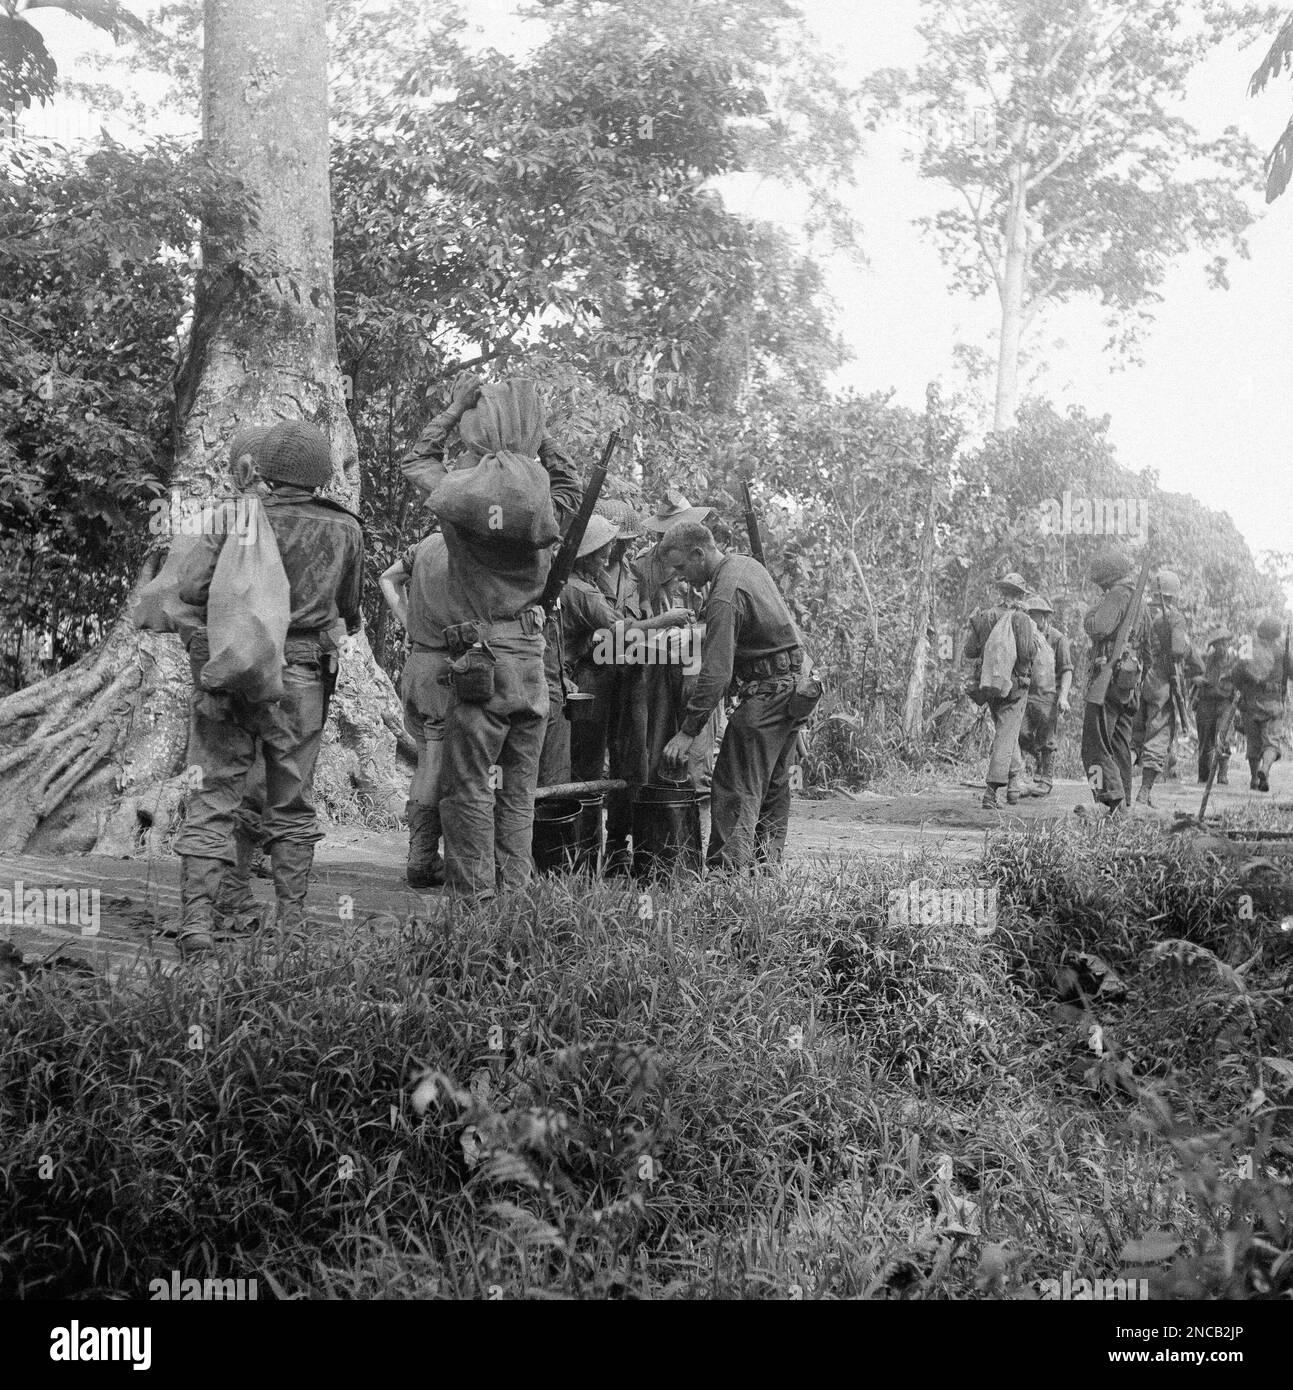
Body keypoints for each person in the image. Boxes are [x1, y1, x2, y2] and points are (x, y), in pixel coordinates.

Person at [175, 420, 363, 956]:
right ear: (321, 474)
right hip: (301, 674)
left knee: (212, 794)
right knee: (292, 800)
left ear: (261, 469)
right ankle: (293, 927)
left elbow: (191, 589)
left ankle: (195, 926)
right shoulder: (344, 528)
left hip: (232, 669)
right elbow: (348, 610)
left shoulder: (232, 518)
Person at [400, 376, 580, 900]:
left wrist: (456, 407)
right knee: (518, 792)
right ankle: (516, 895)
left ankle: (475, 900)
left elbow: (417, 460)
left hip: (482, 659)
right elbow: (568, 478)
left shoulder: (460, 504)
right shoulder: (548, 507)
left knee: (470, 787)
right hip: (530, 663)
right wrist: (533, 433)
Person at [659, 522, 813, 869]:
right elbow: (792, 635)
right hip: (789, 693)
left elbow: (716, 673)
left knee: (734, 789)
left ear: (699, 554)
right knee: (773, 789)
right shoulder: (749, 566)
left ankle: (725, 884)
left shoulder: (724, 595)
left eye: (683, 568)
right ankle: (764, 874)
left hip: (766, 698)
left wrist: (688, 731)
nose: (683, 579)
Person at [380, 527, 452, 889]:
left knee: (427, 761)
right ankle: (422, 859)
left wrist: (411, 624)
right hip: (444, 670)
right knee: (436, 765)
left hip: (418, 665)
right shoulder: (470, 546)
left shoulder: (426, 544)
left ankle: (425, 855)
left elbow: (388, 578)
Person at [1081, 546, 1146, 815]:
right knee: (1119, 743)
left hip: (1107, 677)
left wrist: (1089, 615)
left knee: (1093, 748)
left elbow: (1098, 628)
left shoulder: (1118, 596)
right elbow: (1149, 647)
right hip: (1128, 681)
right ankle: (1124, 803)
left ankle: (1107, 799)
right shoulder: (1139, 600)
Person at [963, 572, 1038, 809]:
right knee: (1006, 733)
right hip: (1015, 686)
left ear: (1002, 593)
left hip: (989, 685)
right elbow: (1027, 654)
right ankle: (991, 791)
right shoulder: (1022, 619)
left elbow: (970, 651)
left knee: (1007, 730)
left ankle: (1014, 785)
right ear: (1019, 595)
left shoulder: (985, 616)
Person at [1131, 569, 1189, 807]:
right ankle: (1144, 793)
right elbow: (1177, 650)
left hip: (1136, 678)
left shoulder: (1140, 611)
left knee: (1135, 736)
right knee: (1159, 734)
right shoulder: (1174, 617)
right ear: (1173, 595)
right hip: (1162, 682)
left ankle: (1123, 788)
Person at [1018, 593, 1073, 798]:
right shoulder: (1025, 638)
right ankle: (1034, 765)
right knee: (1021, 734)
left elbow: (1066, 669)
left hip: (1048, 697)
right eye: (1028, 616)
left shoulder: (1057, 638)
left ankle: (1046, 778)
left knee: (1047, 738)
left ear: (1044, 617)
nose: (1032, 621)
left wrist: (1063, 697)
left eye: (1035, 616)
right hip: (1026, 695)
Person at [1233, 616, 1290, 792]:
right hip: (1273, 702)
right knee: (1271, 742)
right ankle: (1264, 769)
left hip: (1250, 702)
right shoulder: (1281, 651)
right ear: (1276, 633)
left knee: (1253, 742)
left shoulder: (1247, 646)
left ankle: (1253, 779)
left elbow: (1236, 673)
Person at [1190, 627, 1234, 786]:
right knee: (1204, 741)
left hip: (1225, 704)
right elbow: (1188, 672)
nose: (1221, 647)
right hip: (1205, 702)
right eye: (1218, 644)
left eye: (1224, 643)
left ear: (1228, 644)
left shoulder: (1234, 662)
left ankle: (1222, 775)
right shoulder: (1204, 660)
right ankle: (1204, 776)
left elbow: (1242, 680)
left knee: (1222, 738)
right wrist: (1196, 679)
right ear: (1214, 646)